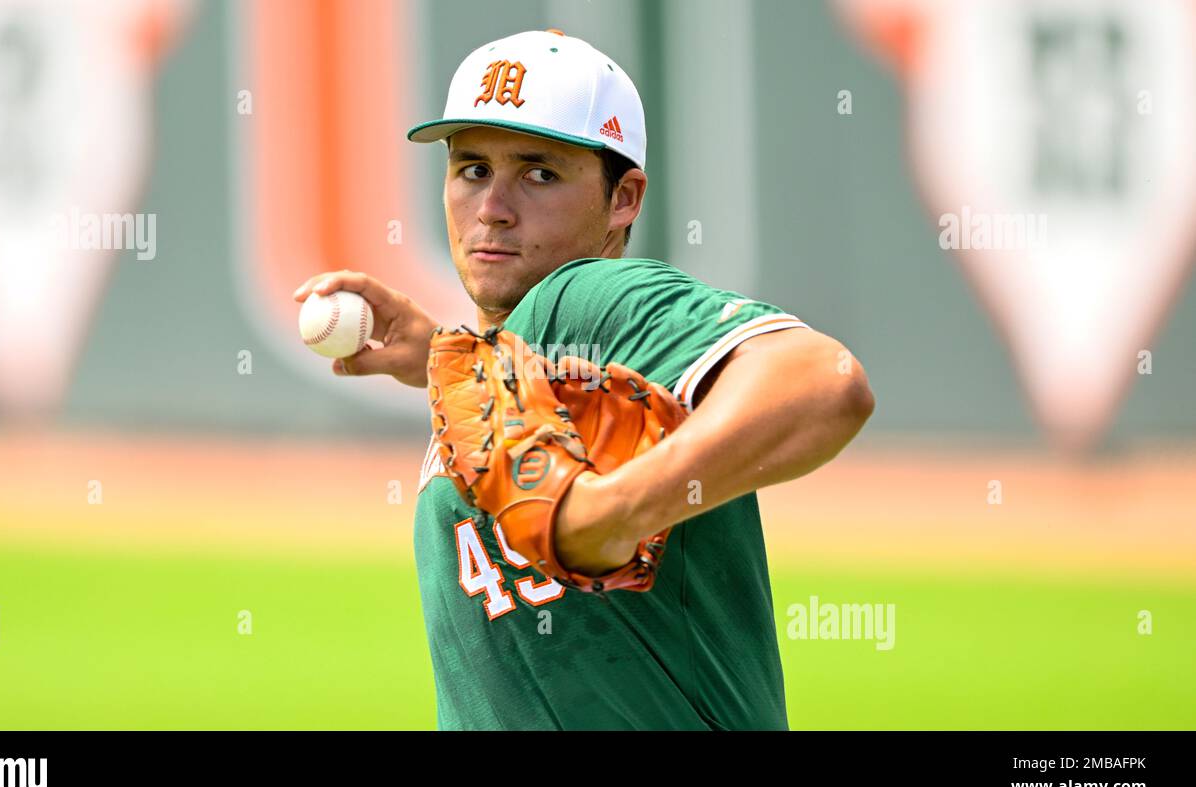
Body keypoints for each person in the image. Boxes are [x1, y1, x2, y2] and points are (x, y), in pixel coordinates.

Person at [293, 29, 875, 729]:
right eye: (472, 168)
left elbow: (826, 380)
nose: (493, 206)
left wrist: (613, 511)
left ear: (623, 198)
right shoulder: (497, 364)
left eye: (538, 172)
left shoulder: (590, 295)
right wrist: (459, 354)